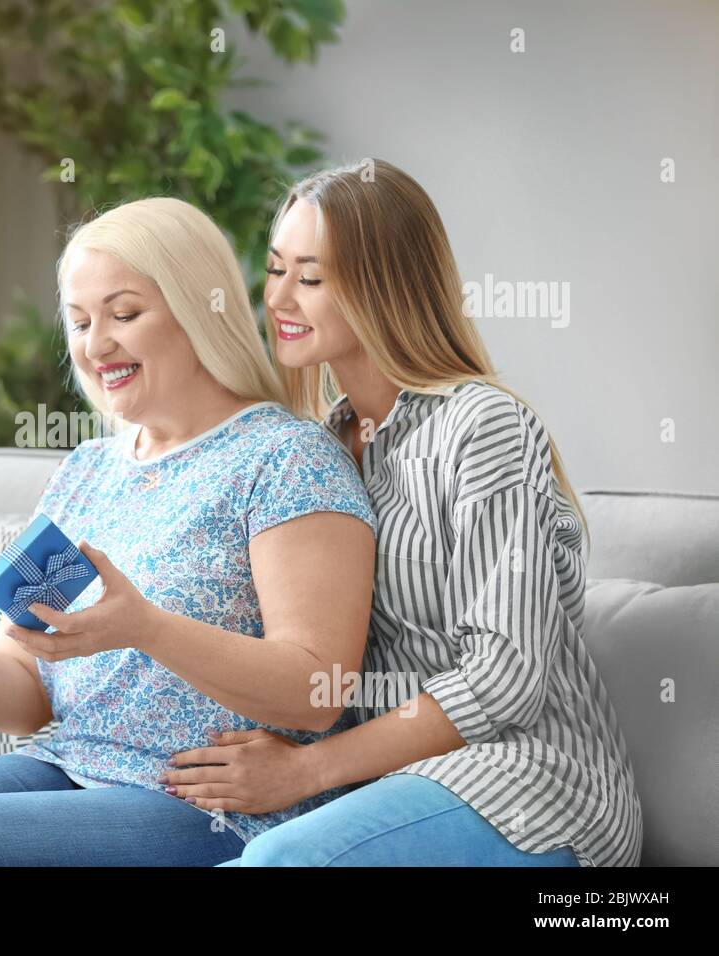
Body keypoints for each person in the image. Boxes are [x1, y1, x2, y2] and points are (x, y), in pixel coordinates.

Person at [0, 196, 376, 866]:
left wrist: (146, 627)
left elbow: (317, 689)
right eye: (81, 321)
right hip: (73, 765)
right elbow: (27, 696)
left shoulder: (285, 457)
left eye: (125, 314)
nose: (97, 344)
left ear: (199, 308)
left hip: (210, 806)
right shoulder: (87, 471)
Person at [160, 159, 642, 867]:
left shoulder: (483, 427)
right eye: (275, 270)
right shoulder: (320, 448)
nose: (280, 298)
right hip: (382, 788)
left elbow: (504, 676)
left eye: (312, 277)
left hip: (529, 787)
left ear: (386, 287)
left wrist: (304, 772)